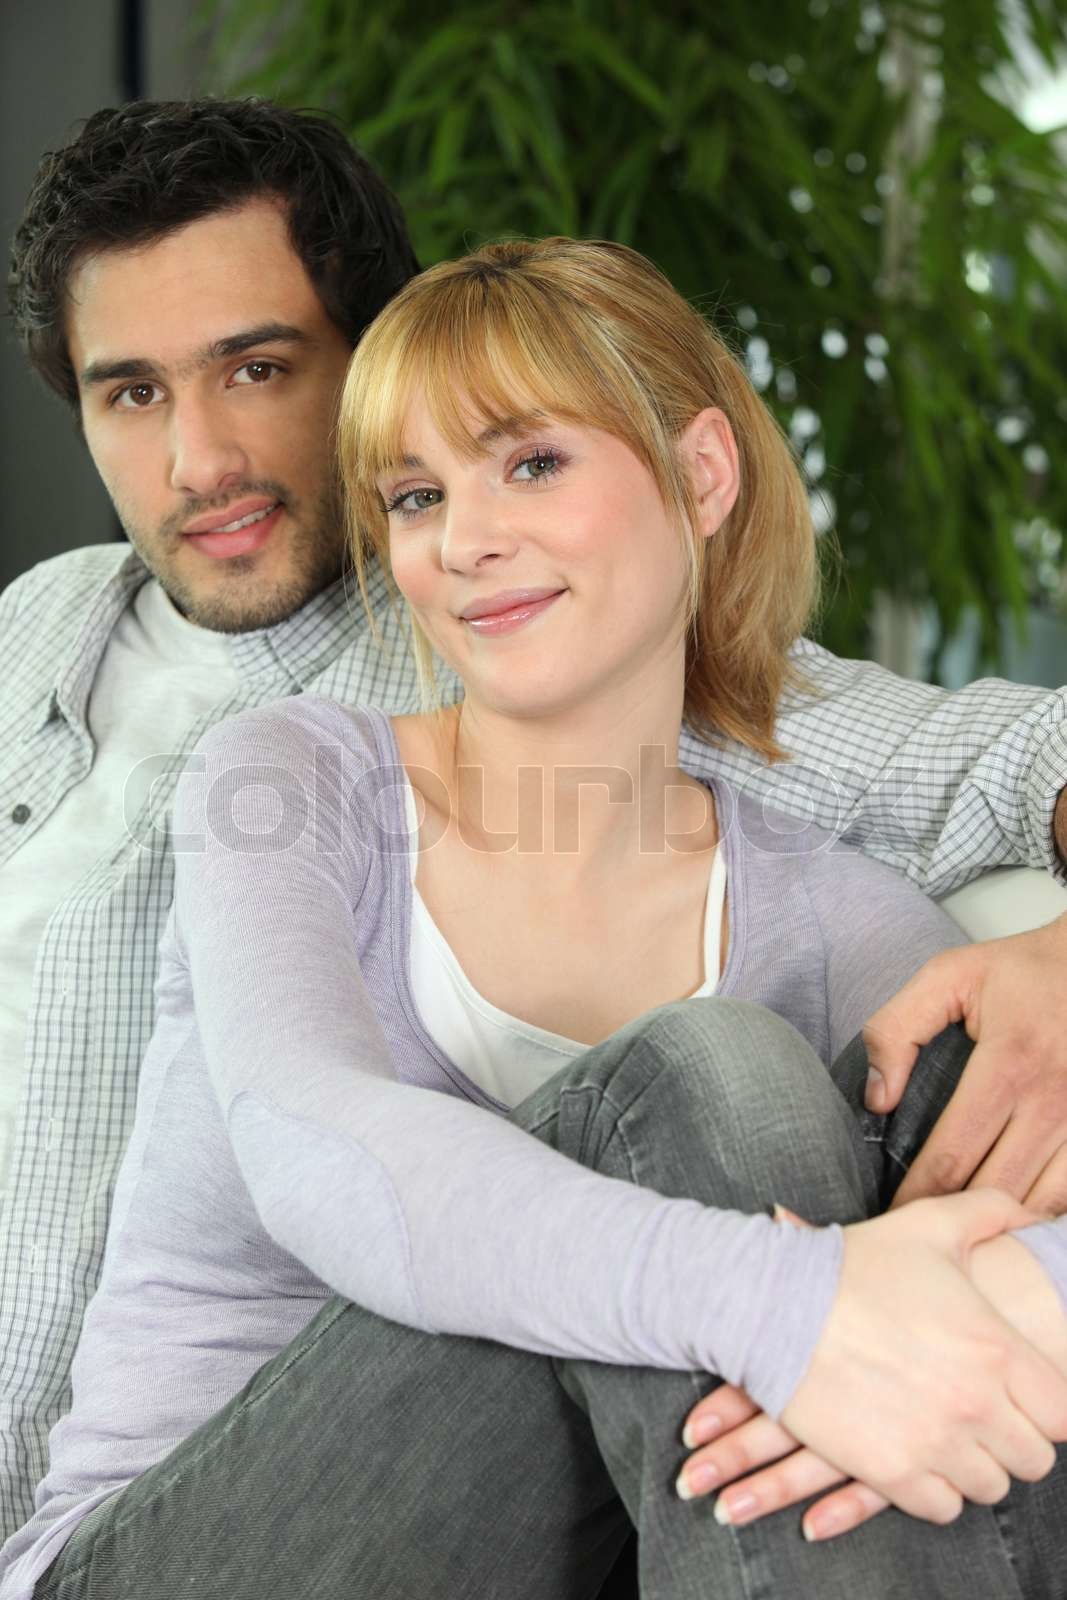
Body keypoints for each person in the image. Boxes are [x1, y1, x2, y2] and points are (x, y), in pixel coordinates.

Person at [2, 96, 1067, 1578]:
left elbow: (1003, 755)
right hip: (172, 1536)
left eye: (256, 368)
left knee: (749, 1093)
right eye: (419, 497)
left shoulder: (773, 827)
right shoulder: (98, 659)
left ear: (701, 476)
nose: (198, 457)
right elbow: (318, 1147)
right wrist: (793, 1302)